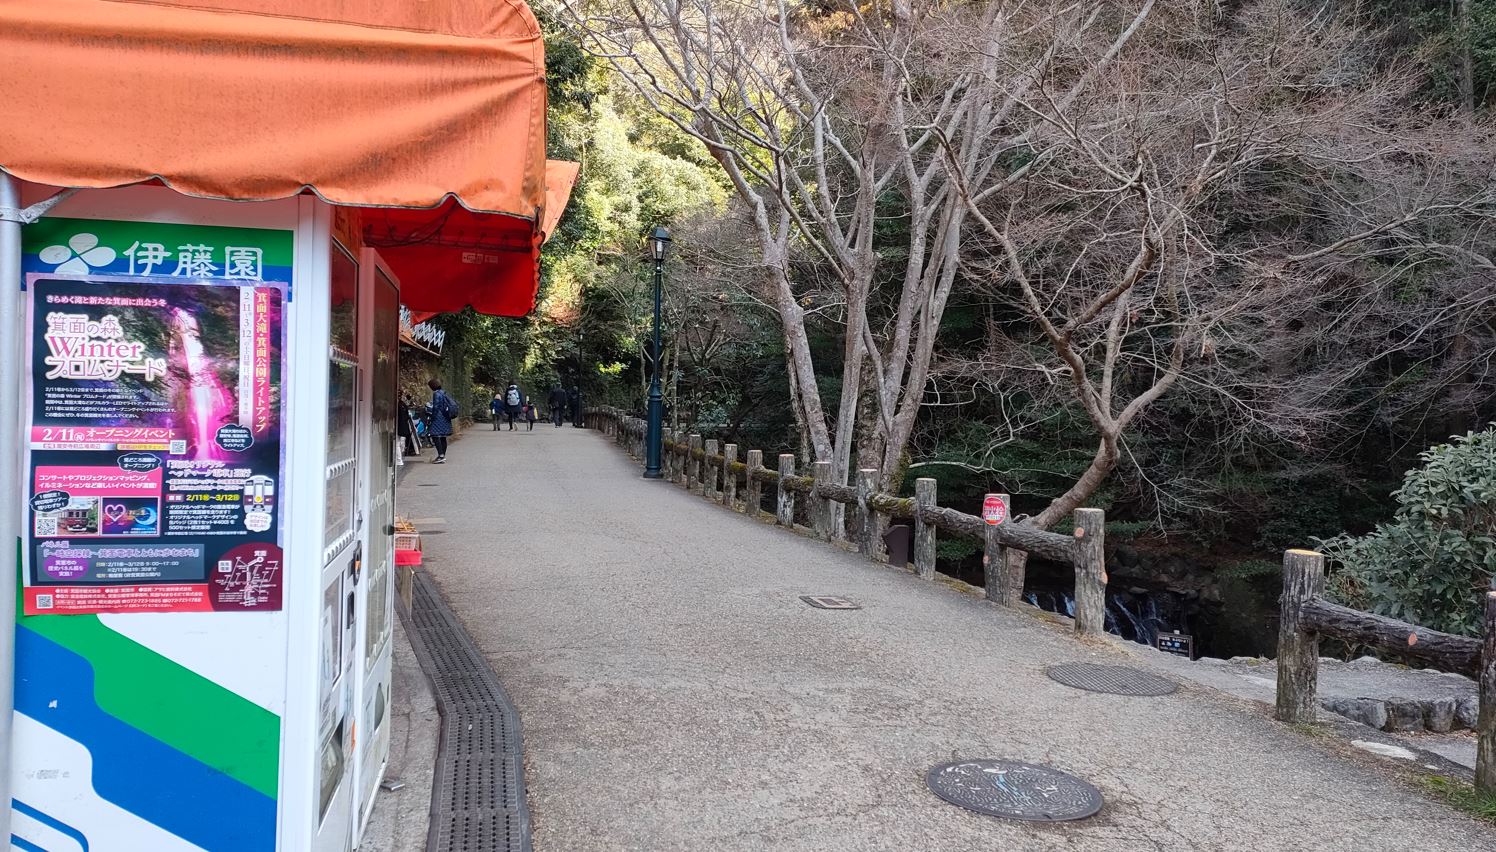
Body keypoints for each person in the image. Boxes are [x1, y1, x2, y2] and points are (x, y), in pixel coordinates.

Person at [427, 378, 456, 463]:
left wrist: (433, 416)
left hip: (438, 417)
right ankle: (443, 455)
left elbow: (436, 406)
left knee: (435, 435)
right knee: (443, 436)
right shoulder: (443, 392)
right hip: (445, 416)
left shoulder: (436, 394)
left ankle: (441, 456)